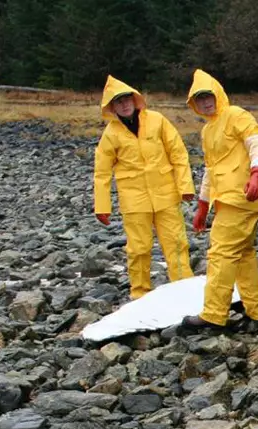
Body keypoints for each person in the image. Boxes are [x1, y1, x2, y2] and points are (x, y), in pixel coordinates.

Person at [180, 68, 258, 333]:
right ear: (193, 104)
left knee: (220, 253)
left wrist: (257, 174)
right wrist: (203, 206)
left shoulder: (236, 115)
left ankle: (214, 314)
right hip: (228, 200)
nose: (206, 102)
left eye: (208, 96)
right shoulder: (208, 131)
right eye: (199, 99)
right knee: (243, 255)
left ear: (218, 94)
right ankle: (257, 313)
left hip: (242, 195)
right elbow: (210, 169)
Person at [93, 75, 196, 300]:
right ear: (112, 107)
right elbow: (102, 172)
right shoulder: (110, 134)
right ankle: (139, 294)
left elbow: (178, 153)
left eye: (127, 98)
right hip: (133, 200)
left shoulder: (158, 120)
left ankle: (185, 288)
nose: (124, 104)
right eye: (118, 101)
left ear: (135, 99)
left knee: (177, 244)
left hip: (166, 195)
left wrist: (185, 186)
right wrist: (102, 206)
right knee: (138, 249)